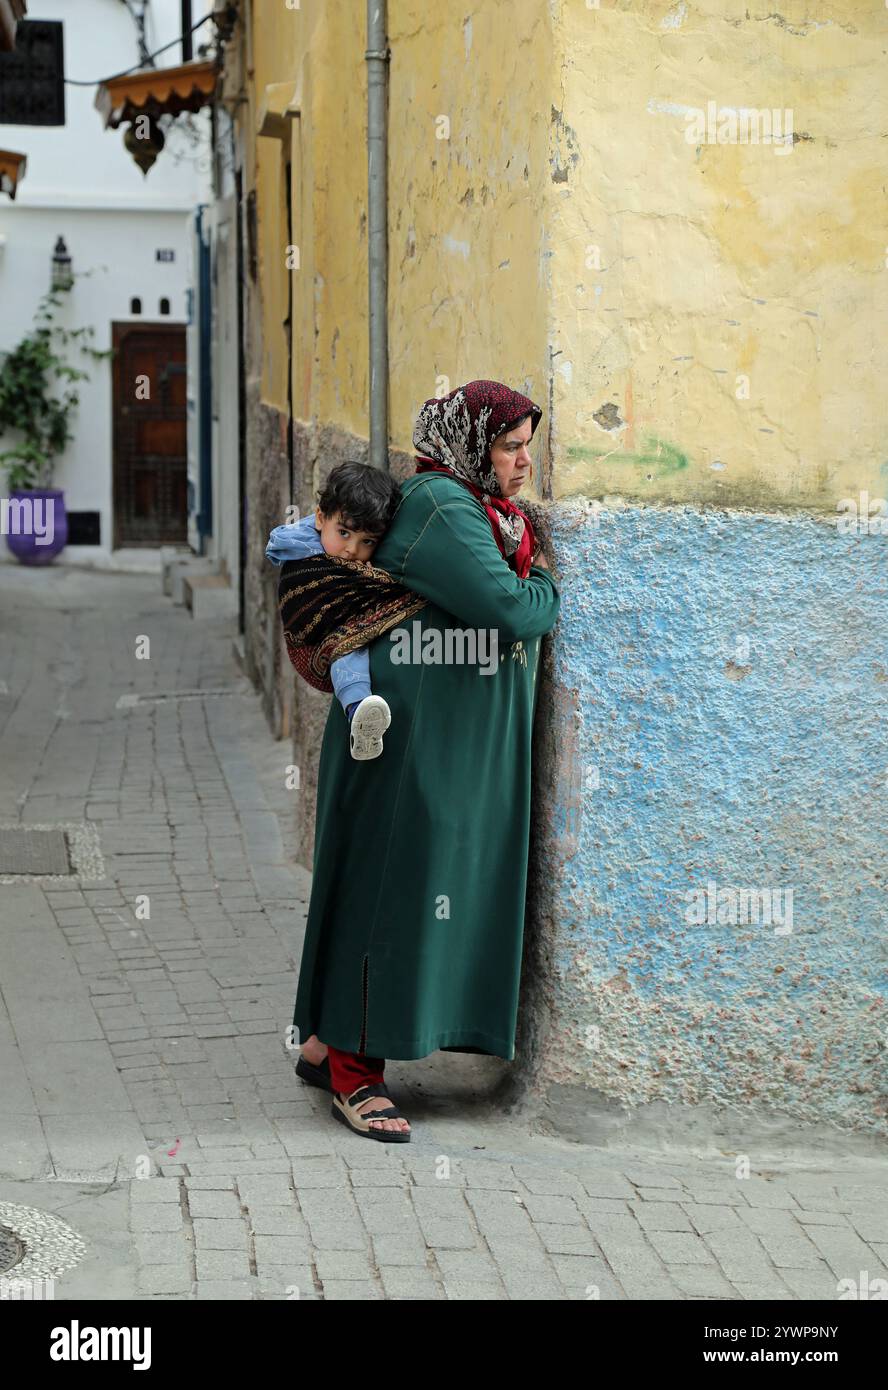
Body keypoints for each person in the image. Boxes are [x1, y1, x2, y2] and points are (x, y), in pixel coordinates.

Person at [292, 380, 561, 1140]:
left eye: (524, 446)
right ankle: (354, 1075)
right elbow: (510, 609)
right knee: (394, 891)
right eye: (509, 447)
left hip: (439, 741)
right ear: (471, 447)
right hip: (404, 745)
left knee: (414, 883)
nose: (522, 461)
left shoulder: (482, 512)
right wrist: (542, 590)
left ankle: (325, 1043)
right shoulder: (445, 507)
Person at [266, 460, 401, 760]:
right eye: (343, 533)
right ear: (319, 518)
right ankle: (356, 710)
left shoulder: (337, 549)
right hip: (313, 645)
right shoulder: (304, 552)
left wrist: (360, 578)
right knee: (347, 647)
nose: (352, 550)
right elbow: (300, 588)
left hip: (332, 634)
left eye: (367, 541)